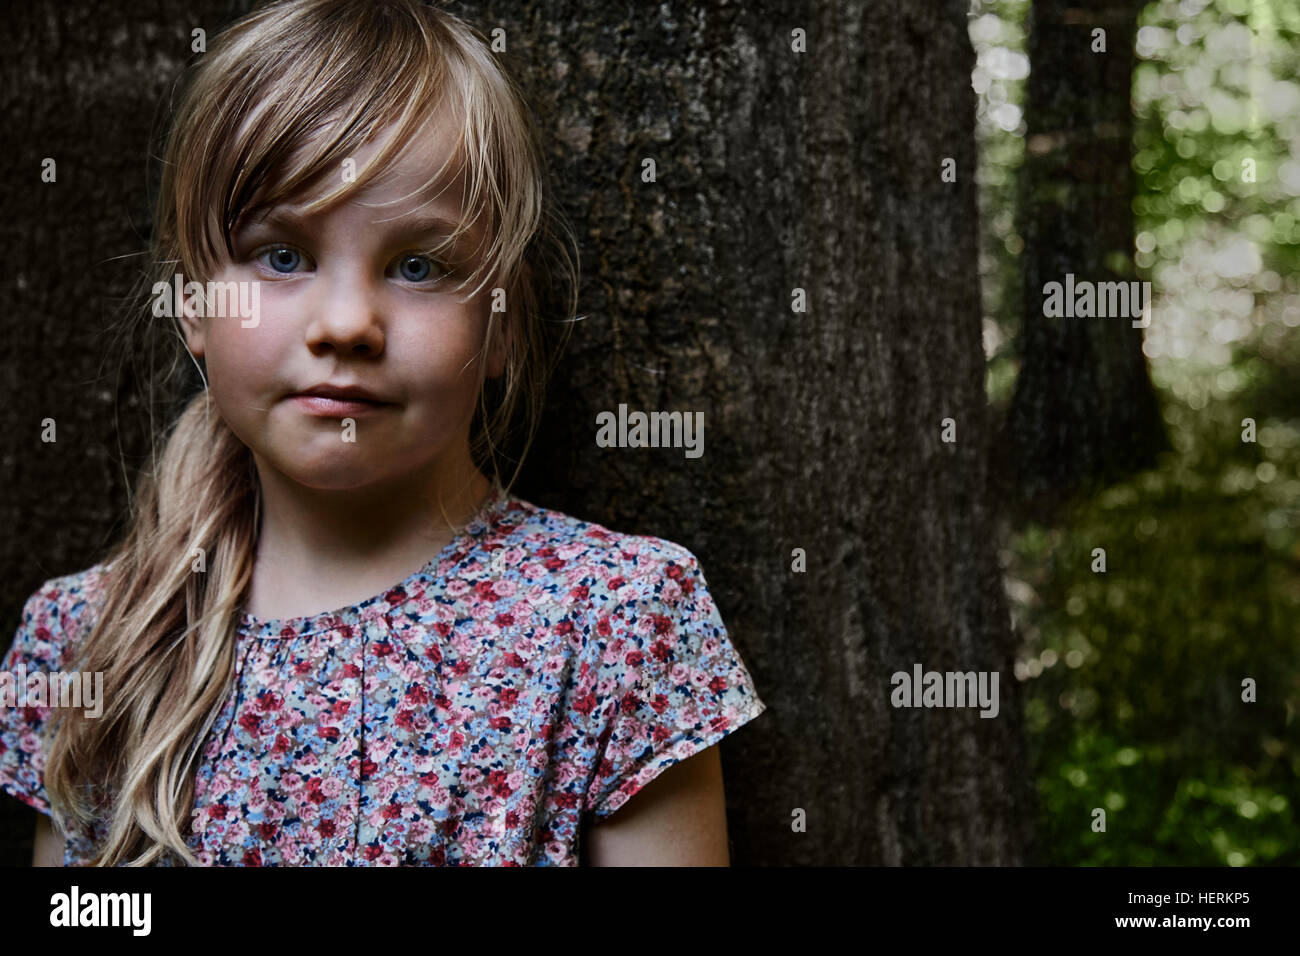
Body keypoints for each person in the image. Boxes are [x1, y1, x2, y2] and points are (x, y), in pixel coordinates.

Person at [0, 0, 765, 866]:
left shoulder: (615, 622)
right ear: (191, 306)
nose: (347, 324)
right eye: (282, 256)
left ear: (504, 325)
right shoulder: (90, 641)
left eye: (418, 265)